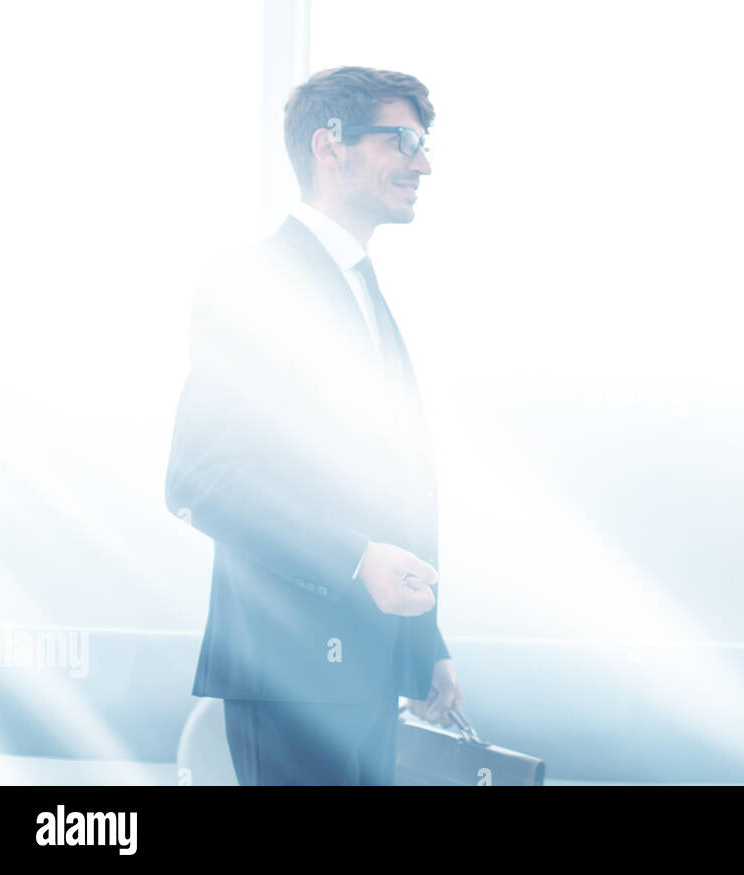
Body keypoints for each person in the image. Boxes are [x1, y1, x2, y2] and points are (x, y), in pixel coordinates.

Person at [164, 66, 463, 785]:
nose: (423, 161)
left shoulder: (362, 286)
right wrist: (356, 559)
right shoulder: (256, 281)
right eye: (404, 139)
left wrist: (425, 643)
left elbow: (389, 485)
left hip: (365, 668)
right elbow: (200, 478)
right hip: (291, 672)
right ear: (331, 146)